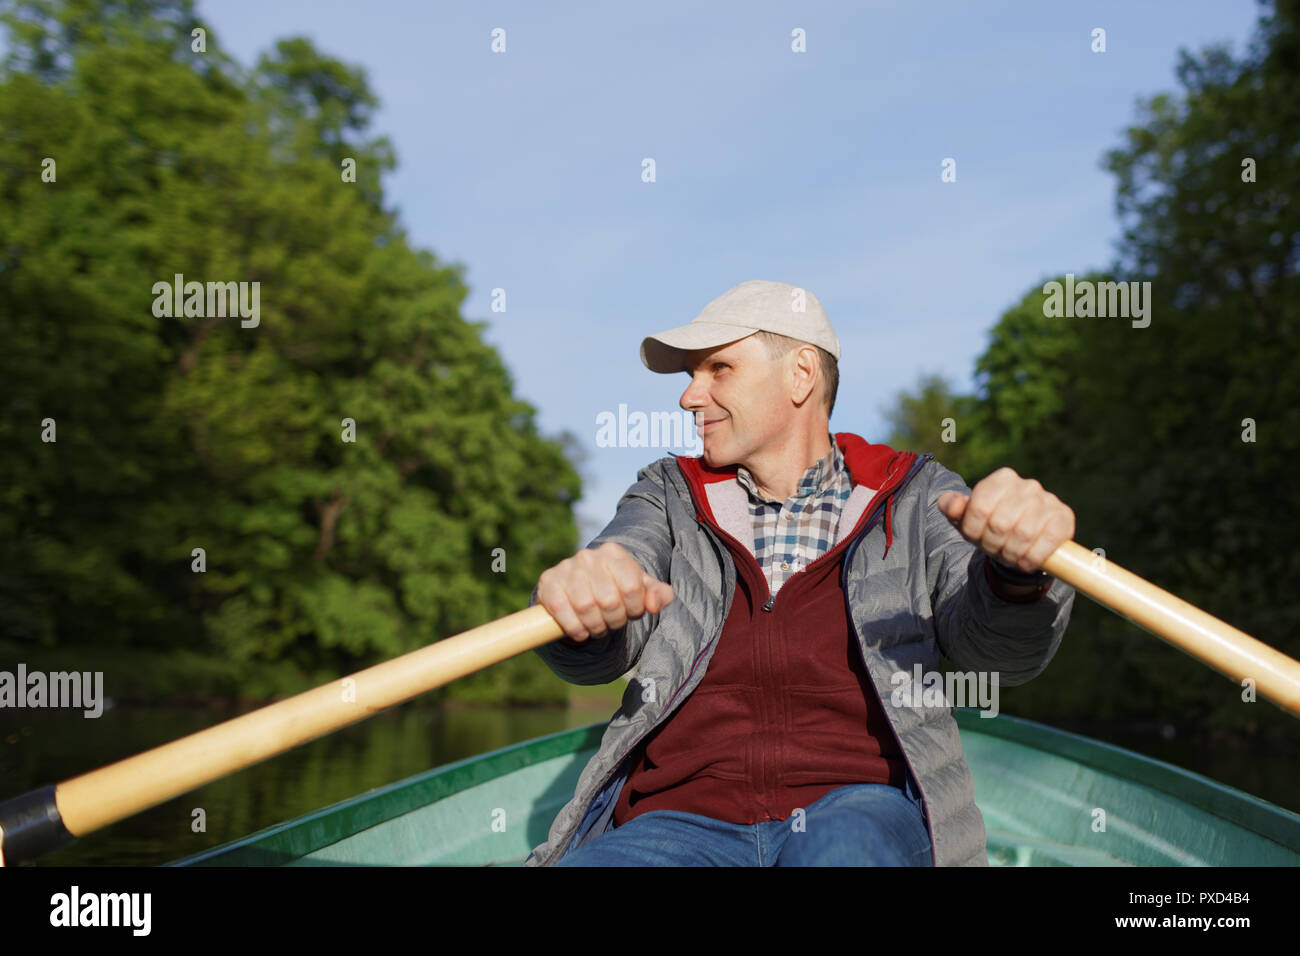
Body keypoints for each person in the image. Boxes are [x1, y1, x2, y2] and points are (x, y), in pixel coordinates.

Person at [523, 279, 1076, 866]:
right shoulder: (666, 495)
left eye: (717, 369)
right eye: (693, 376)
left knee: (845, 851)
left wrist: (1017, 574)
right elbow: (613, 591)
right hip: (676, 823)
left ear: (801, 375)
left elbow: (1001, 657)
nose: (689, 397)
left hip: (858, 808)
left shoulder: (917, 495)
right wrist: (587, 601)